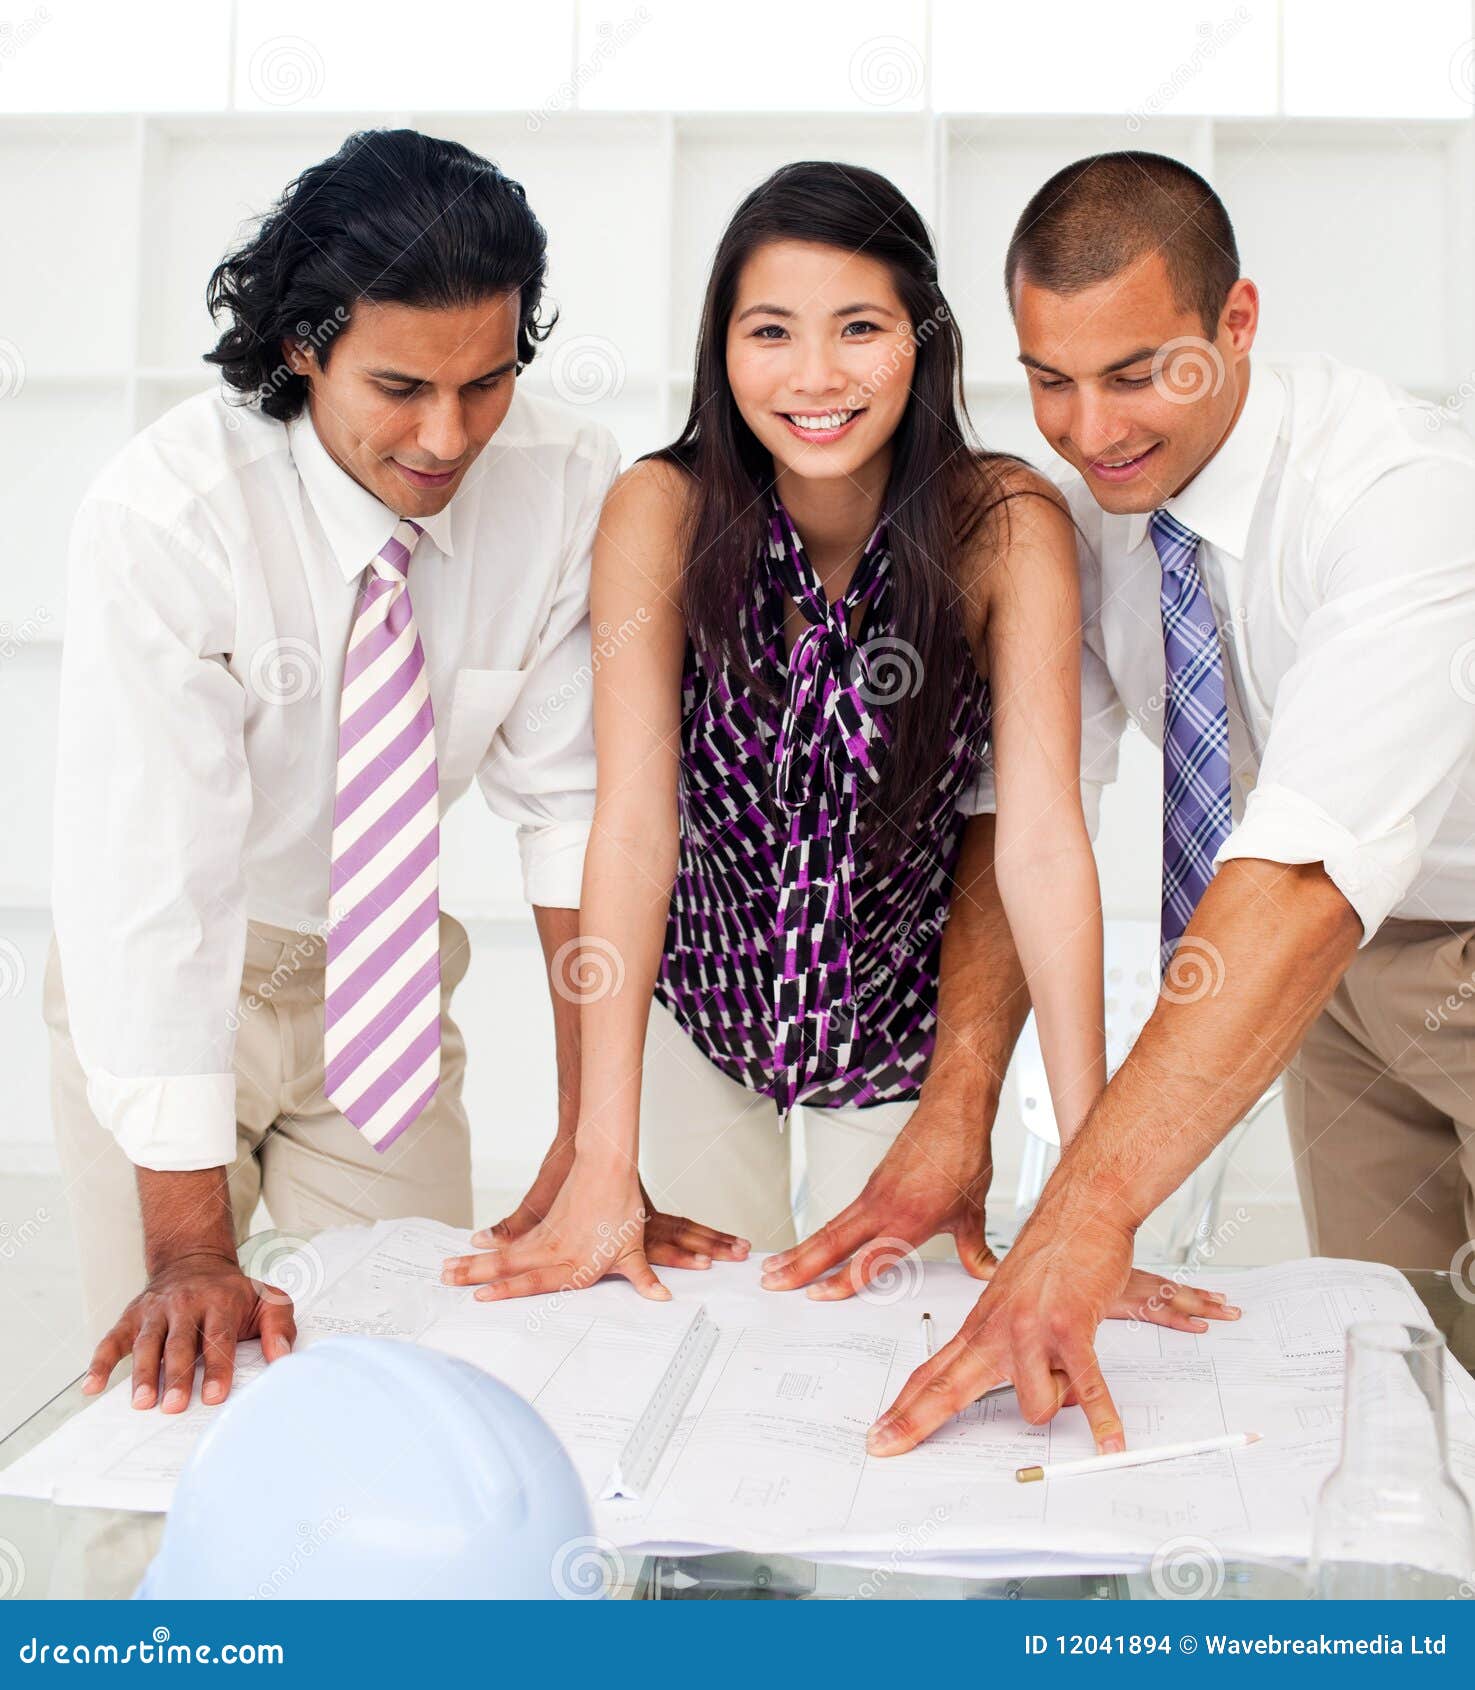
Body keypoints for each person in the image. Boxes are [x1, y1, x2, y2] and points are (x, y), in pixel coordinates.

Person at [440, 160, 1232, 1343]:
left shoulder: (1006, 526)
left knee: (885, 1354)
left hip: (900, 1044)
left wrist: (1080, 1188)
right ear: (722, 349)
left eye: (858, 328)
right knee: (693, 1346)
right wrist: (599, 1154)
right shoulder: (658, 510)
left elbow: (1045, 849)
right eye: (770, 332)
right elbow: (631, 827)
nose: (814, 376)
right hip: (695, 1023)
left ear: (921, 340)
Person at [865, 151, 1475, 1460]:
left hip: (1374, 925)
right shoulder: (1088, 520)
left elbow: (1301, 880)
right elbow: (1020, 814)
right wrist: (957, 1104)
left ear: (1233, 325)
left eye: (1133, 372)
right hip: (1347, 987)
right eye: (1048, 381)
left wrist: (1078, 1223)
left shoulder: (1400, 494)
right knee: (1400, 1371)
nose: (1087, 431)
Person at [47, 127, 648, 1413]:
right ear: (300, 347)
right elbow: (153, 890)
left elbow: (566, 820)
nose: (447, 436)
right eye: (400, 387)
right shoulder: (170, 516)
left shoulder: (559, 482)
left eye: (485, 383)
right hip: (163, 985)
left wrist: (596, 1142)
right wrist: (192, 1249)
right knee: (160, 1415)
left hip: (376, 994)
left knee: (405, 1400)